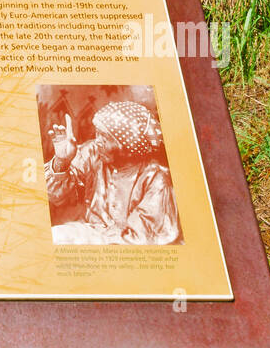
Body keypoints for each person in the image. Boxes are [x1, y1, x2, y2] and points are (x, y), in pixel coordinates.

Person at [45, 101, 181, 245]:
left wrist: (89, 239)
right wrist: (62, 161)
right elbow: (53, 195)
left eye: (105, 137)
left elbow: (143, 240)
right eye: (97, 133)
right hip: (92, 233)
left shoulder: (156, 178)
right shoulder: (94, 153)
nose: (98, 142)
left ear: (129, 146)